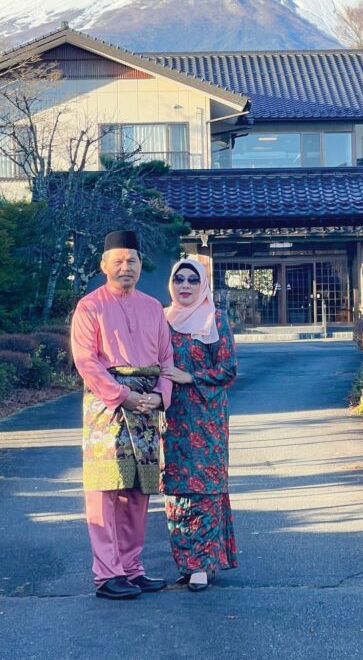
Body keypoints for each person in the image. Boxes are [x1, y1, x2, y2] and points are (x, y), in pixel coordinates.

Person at [71, 230, 174, 601]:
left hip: (147, 405)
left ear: (140, 265)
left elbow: (166, 359)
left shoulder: (152, 307)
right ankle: (107, 573)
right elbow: (87, 361)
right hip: (107, 406)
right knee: (105, 487)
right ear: (104, 265)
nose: (125, 266)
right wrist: (123, 396)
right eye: (118, 260)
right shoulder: (89, 306)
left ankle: (132, 568)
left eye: (131, 260)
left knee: (138, 490)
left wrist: (161, 397)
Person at [160, 257, 238, 592]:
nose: (186, 286)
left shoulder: (216, 318)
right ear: (172, 283)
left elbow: (228, 369)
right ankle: (187, 562)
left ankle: (203, 564)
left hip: (207, 419)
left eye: (193, 279)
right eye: (180, 279)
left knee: (205, 488)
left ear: (203, 283)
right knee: (177, 489)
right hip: (173, 415)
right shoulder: (162, 320)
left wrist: (190, 376)